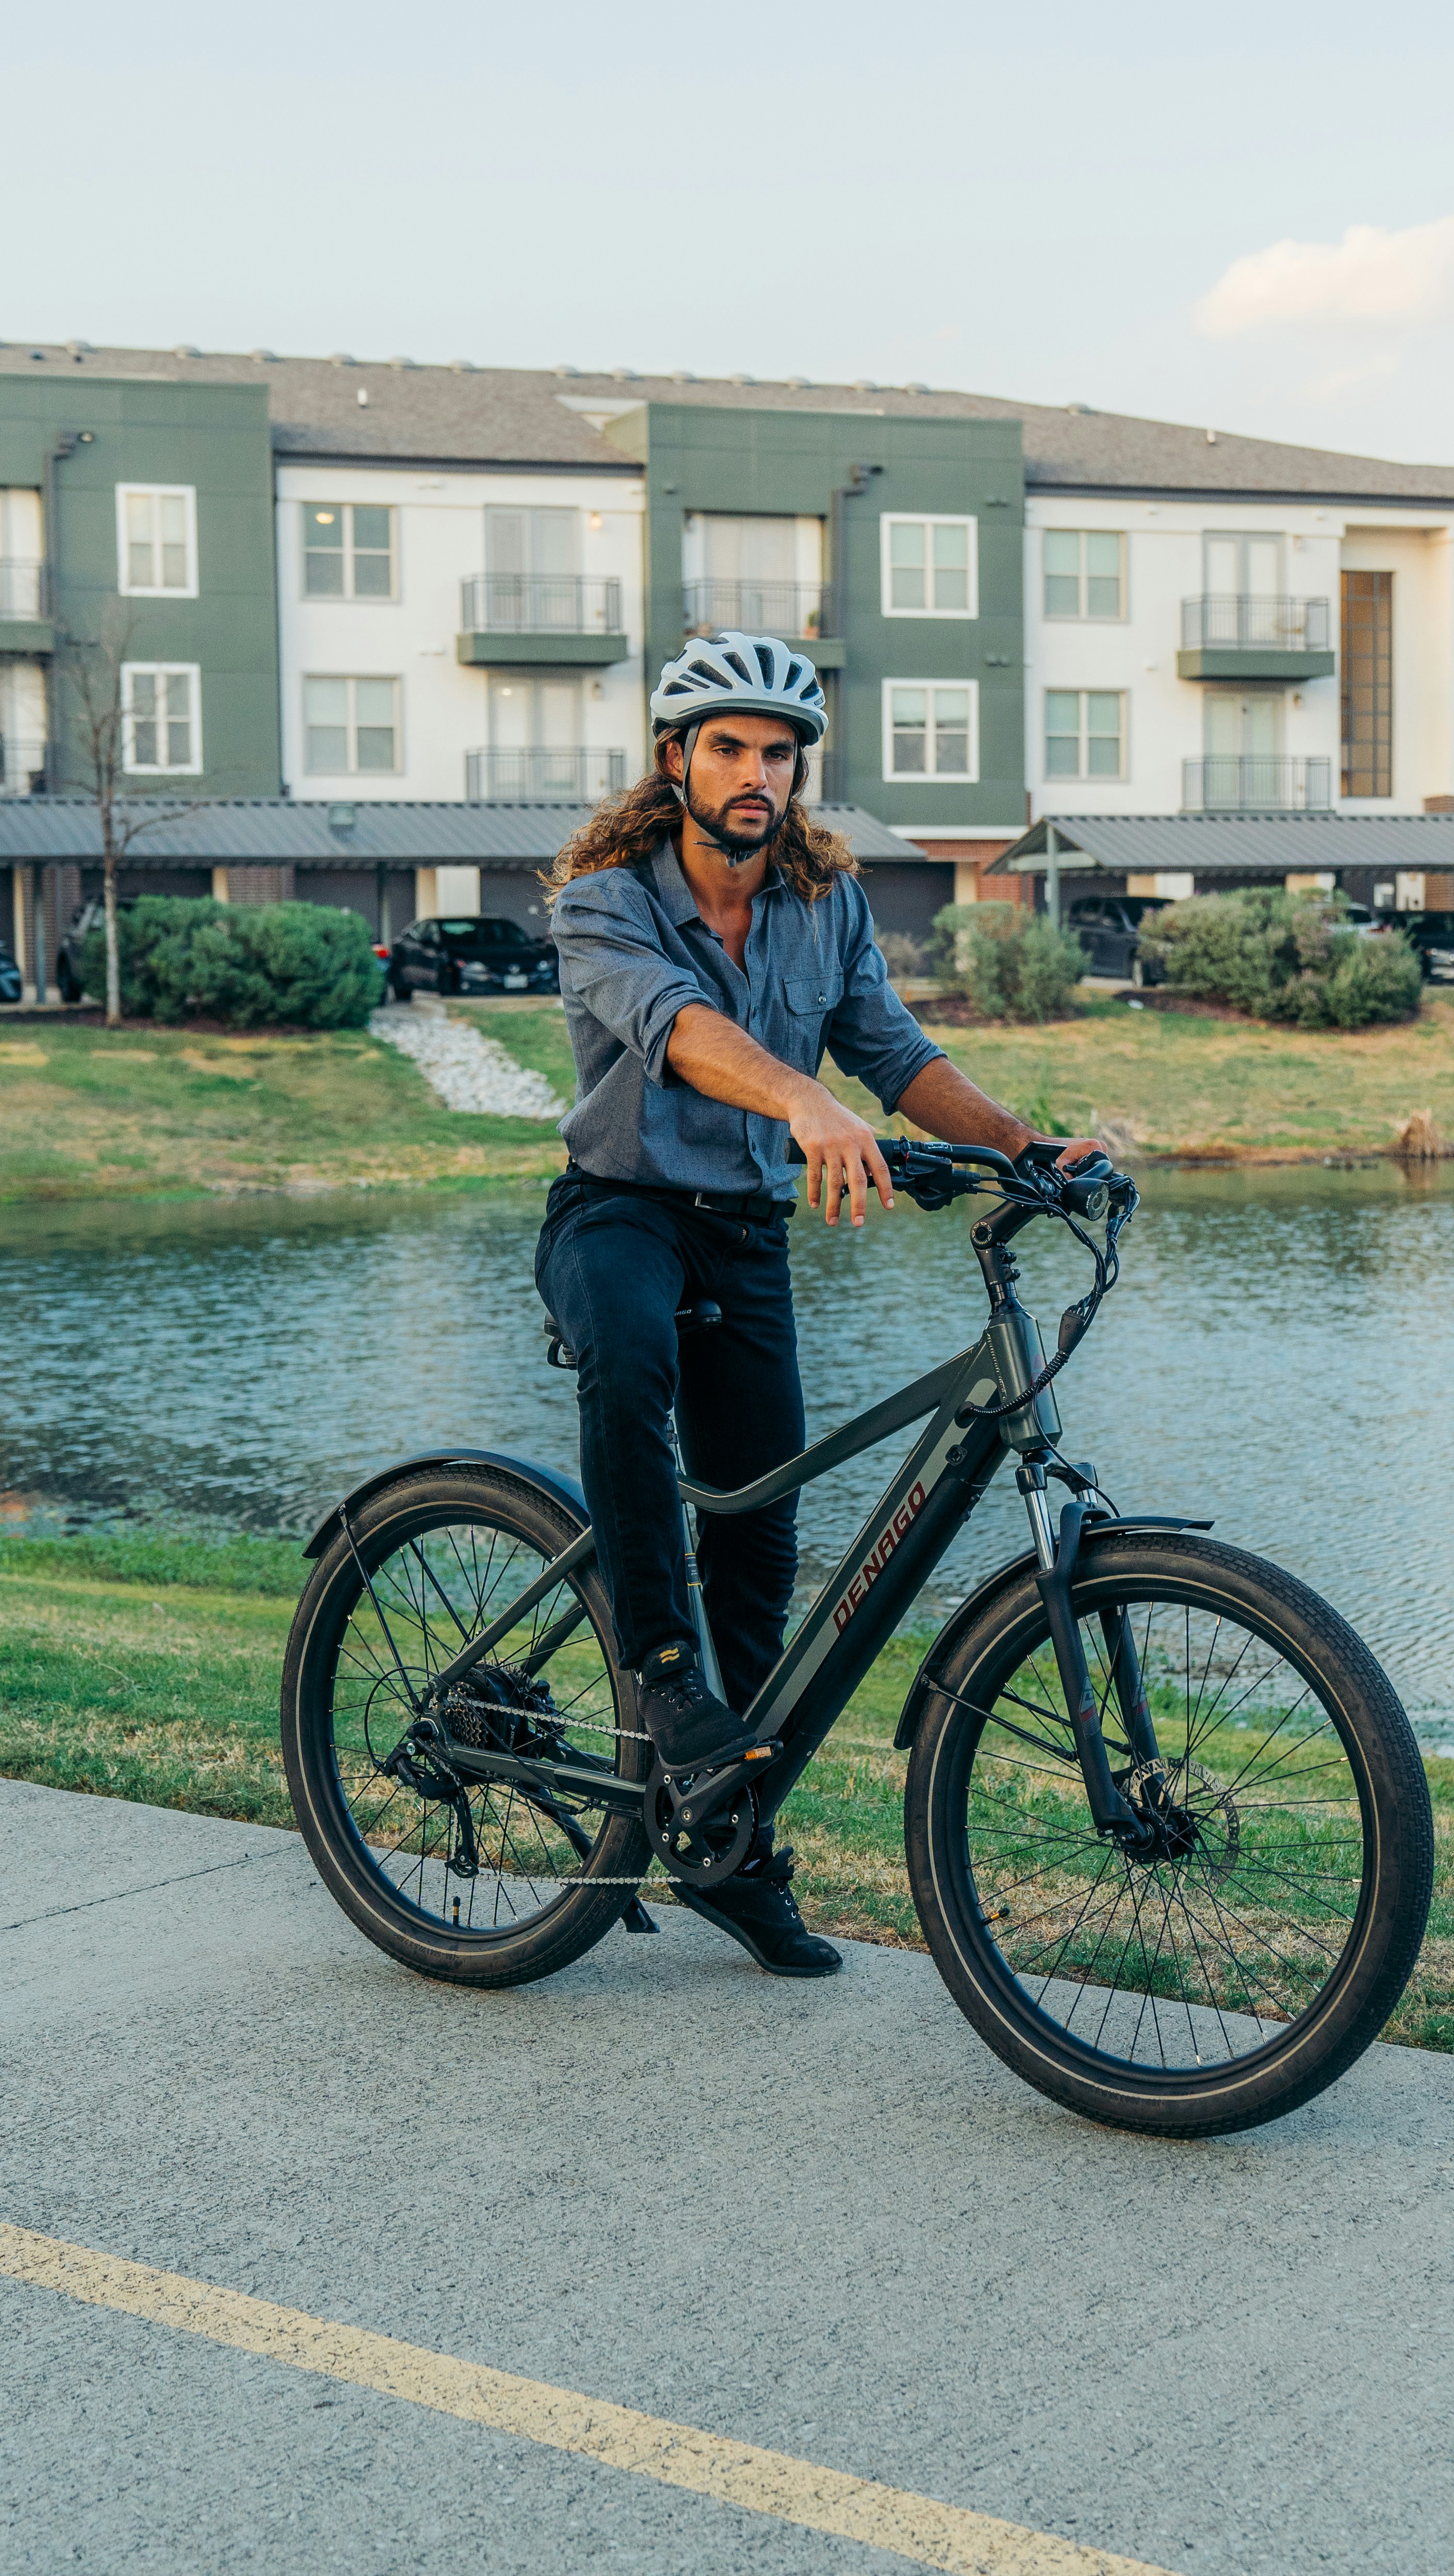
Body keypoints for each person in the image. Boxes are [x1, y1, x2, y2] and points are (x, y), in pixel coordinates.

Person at [535, 631, 1097, 1978]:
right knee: (626, 1370)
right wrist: (800, 1098)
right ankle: (666, 1682)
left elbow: (891, 1050)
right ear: (677, 760)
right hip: (619, 1210)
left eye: (777, 753)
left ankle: (723, 1843)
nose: (755, 773)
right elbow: (673, 1027)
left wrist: (1024, 1145)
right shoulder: (604, 901)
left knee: (761, 1531)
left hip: (739, 1237)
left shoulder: (823, 904)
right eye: (727, 746)